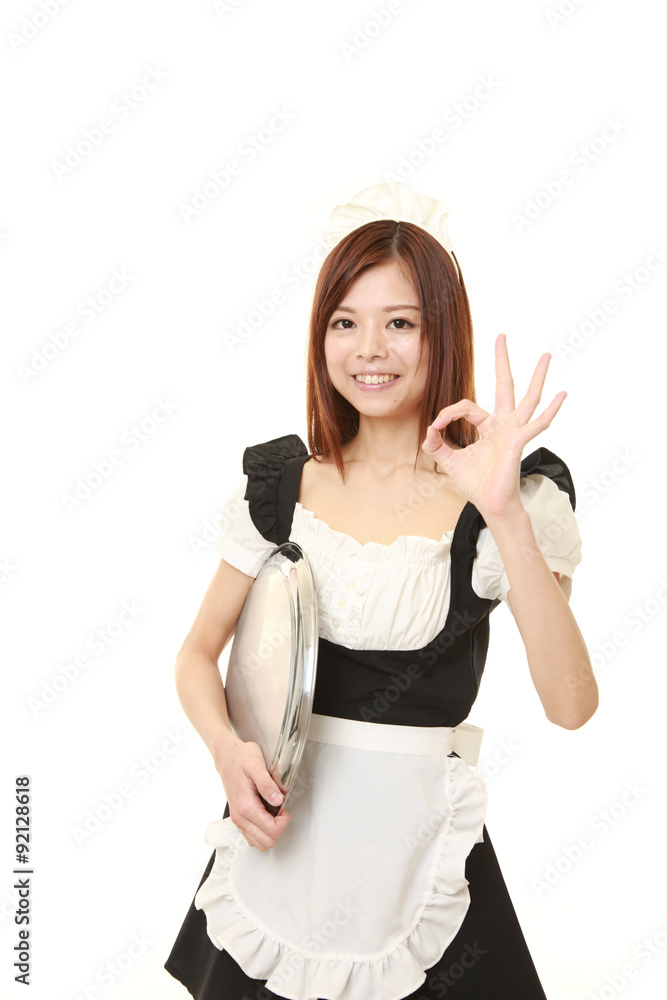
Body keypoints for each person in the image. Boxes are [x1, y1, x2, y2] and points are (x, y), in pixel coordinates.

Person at [164, 181, 599, 1000]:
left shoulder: (506, 497)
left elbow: (571, 704)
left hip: (419, 858)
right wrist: (227, 755)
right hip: (279, 848)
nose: (370, 348)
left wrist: (502, 512)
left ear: (443, 333)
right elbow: (195, 653)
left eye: (400, 322)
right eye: (344, 322)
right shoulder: (280, 489)